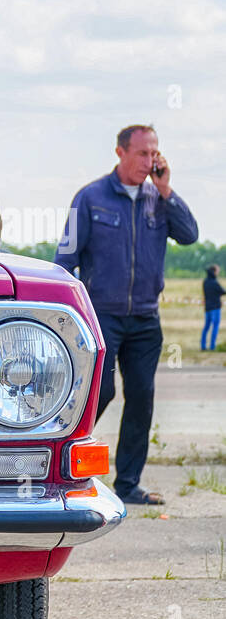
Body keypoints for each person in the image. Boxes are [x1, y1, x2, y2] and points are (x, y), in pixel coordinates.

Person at [54, 124, 198, 505]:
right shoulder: (90, 198)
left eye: (154, 154)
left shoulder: (159, 200)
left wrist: (167, 190)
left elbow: (190, 235)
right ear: (120, 153)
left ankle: (128, 484)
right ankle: (58, 467)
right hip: (101, 316)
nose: (148, 161)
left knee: (142, 395)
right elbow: (64, 260)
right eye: (141, 153)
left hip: (146, 320)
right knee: (98, 391)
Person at [203, 265, 224, 351]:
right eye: (217, 271)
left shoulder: (205, 282)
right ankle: (212, 346)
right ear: (214, 272)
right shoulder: (215, 282)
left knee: (206, 327)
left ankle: (203, 346)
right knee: (215, 327)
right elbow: (222, 291)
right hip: (215, 308)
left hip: (207, 308)